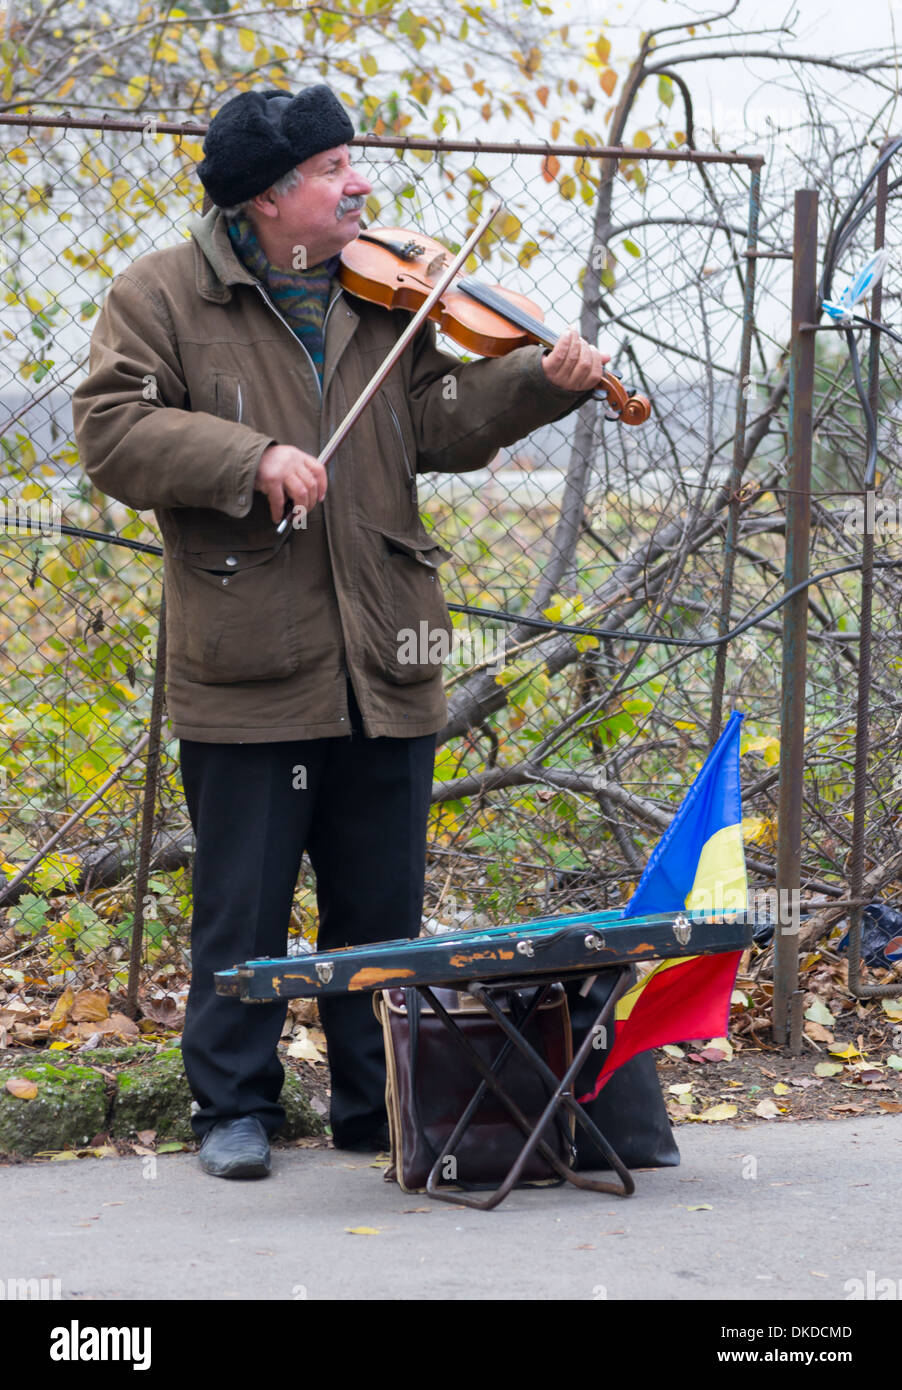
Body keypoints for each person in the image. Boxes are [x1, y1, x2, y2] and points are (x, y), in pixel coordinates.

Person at [71, 84, 612, 1179]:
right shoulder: (162, 295)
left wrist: (535, 382)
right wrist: (248, 459)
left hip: (387, 650)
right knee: (243, 907)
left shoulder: (381, 292)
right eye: (331, 171)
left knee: (379, 908)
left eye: (349, 165)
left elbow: (438, 425)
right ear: (269, 199)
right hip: (249, 656)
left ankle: (381, 1101)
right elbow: (113, 430)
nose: (357, 183)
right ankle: (233, 1105)